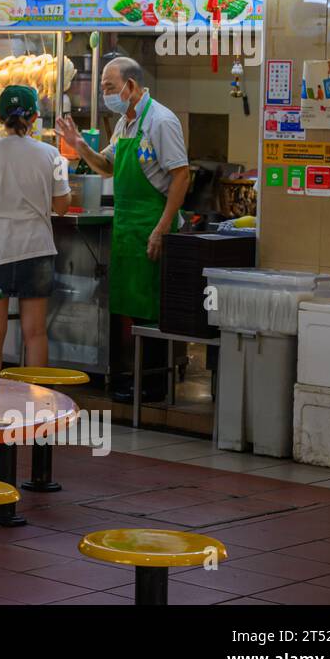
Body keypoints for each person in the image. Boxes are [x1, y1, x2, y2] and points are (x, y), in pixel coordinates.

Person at [56, 56, 190, 402]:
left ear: (131, 86)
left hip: (152, 224)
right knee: (131, 304)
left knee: (153, 307)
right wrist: (79, 145)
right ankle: (134, 377)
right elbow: (108, 168)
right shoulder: (124, 124)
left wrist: (161, 228)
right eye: (103, 89)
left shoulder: (161, 121)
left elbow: (181, 175)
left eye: (110, 87)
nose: (106, 95)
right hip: (128, 225)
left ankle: (156, 384)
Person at [0, 86, 71, 377]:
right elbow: (62, 206)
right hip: (37, 247)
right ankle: (38, 400)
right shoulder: (54, 156)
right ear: (35, 116)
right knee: (35, 332)